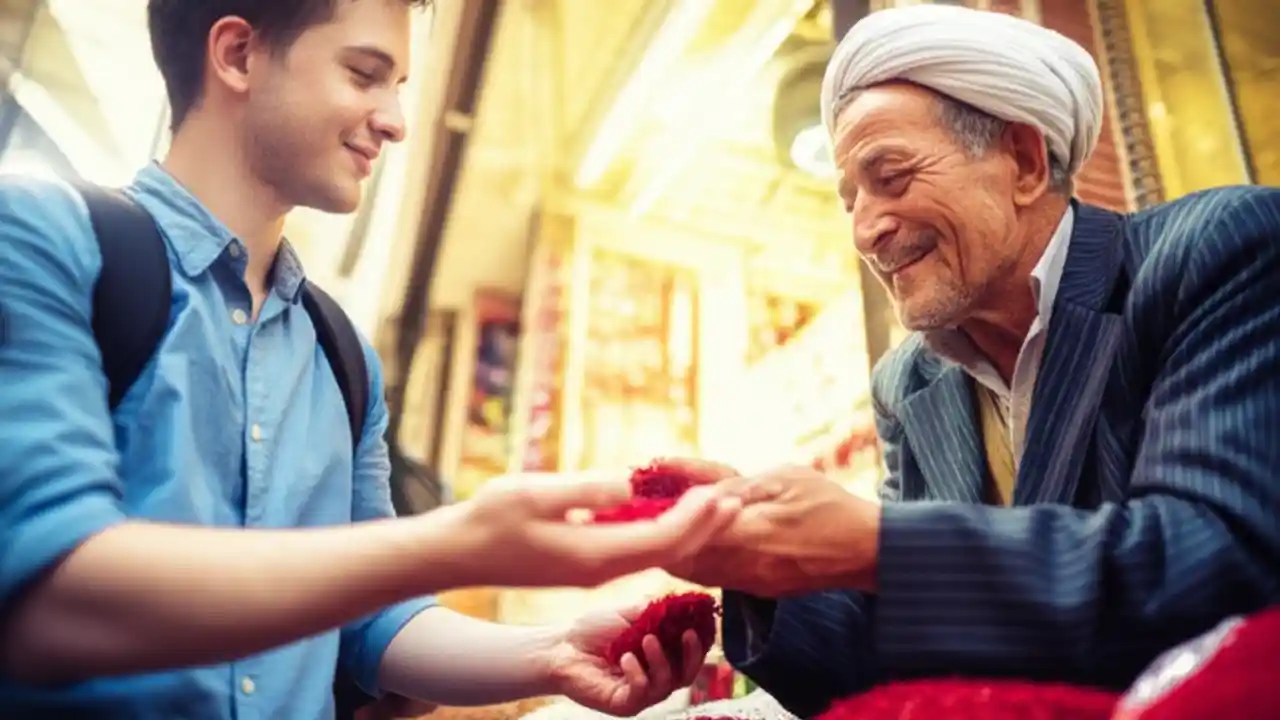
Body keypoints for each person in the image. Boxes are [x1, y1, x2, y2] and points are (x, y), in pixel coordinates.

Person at [0, 1, 741, 717]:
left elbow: (377, 627)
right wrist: (456, 544)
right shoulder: (46, 236)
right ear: (237, 54)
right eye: (363, 74)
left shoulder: (342, 355)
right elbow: (48, 597)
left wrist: (551, 653)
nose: (394, 120)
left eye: (399, 86)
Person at [657, 5, 1280, 718]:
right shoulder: (909, 383)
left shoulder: (1218, 252)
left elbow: (1219, 566)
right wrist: (751, 565)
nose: (865, 229)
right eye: (850, 198)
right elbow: (898, 663)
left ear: (1022, 160)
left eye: (890, 175)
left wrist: (876, 545)